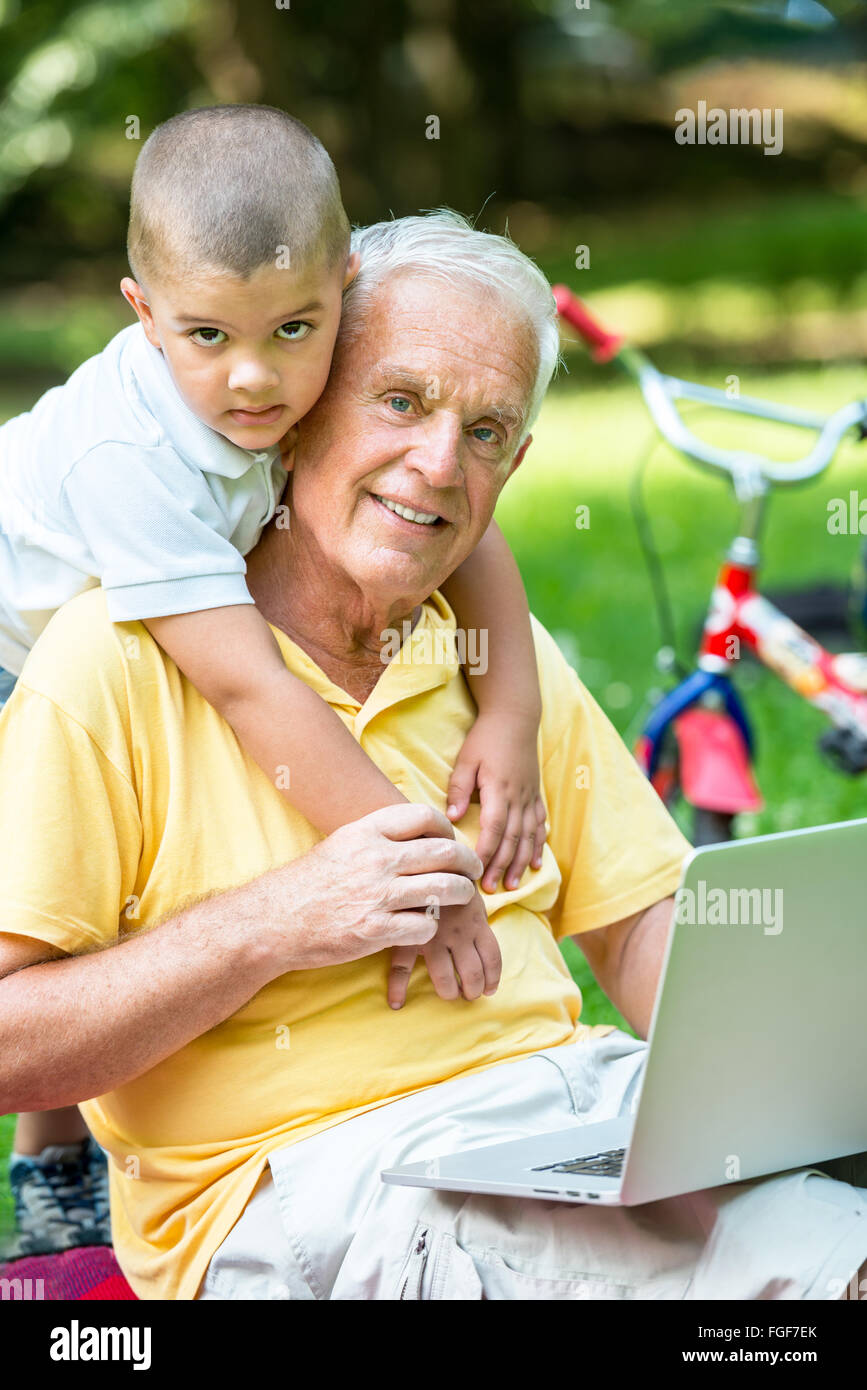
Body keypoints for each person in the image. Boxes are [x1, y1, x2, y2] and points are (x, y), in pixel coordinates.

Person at [1, 211, 865, 1300]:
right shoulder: (112, 658)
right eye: (399, 402)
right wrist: (278, 921)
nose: (439, 464)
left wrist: (791, 1079)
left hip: (577, 1117)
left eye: (488, 432)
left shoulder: (491, 651)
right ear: (303, 410)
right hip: (325, 1185)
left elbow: (643, 919)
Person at [0, 107, 547, 1253]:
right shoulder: (131, 463)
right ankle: (55, 1174)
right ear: (142, 315)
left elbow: (466, 524)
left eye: (294, 329)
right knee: (53, 902)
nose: (253, 380)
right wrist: (429, 874)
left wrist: (511, 707)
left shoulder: (297, 371)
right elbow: (253, 688)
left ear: (344, 289)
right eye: (207, 337)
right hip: (8, 643)